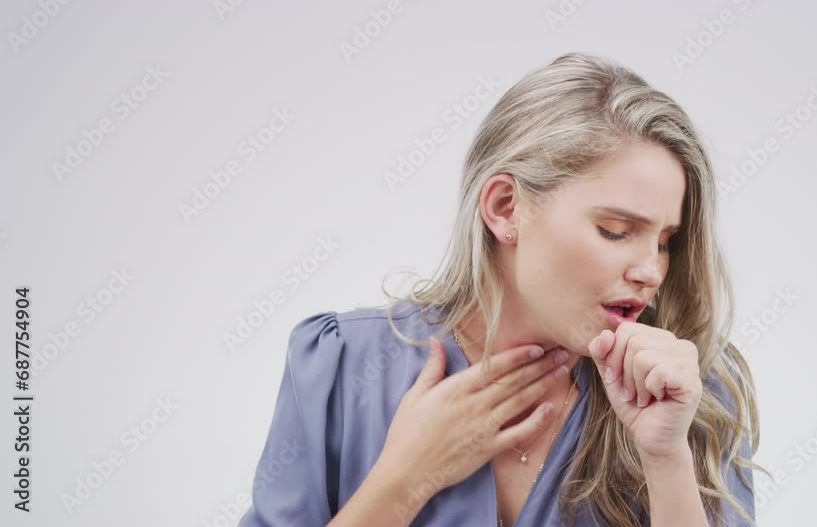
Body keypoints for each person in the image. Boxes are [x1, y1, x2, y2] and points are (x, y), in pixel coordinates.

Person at [239, 51, 766, 527]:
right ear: (505, 208)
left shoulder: (687, 393)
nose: (650, 271)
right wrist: (404, 480)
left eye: (665, 242)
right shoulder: (342, 366)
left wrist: (665, 459)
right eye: (616, 231)